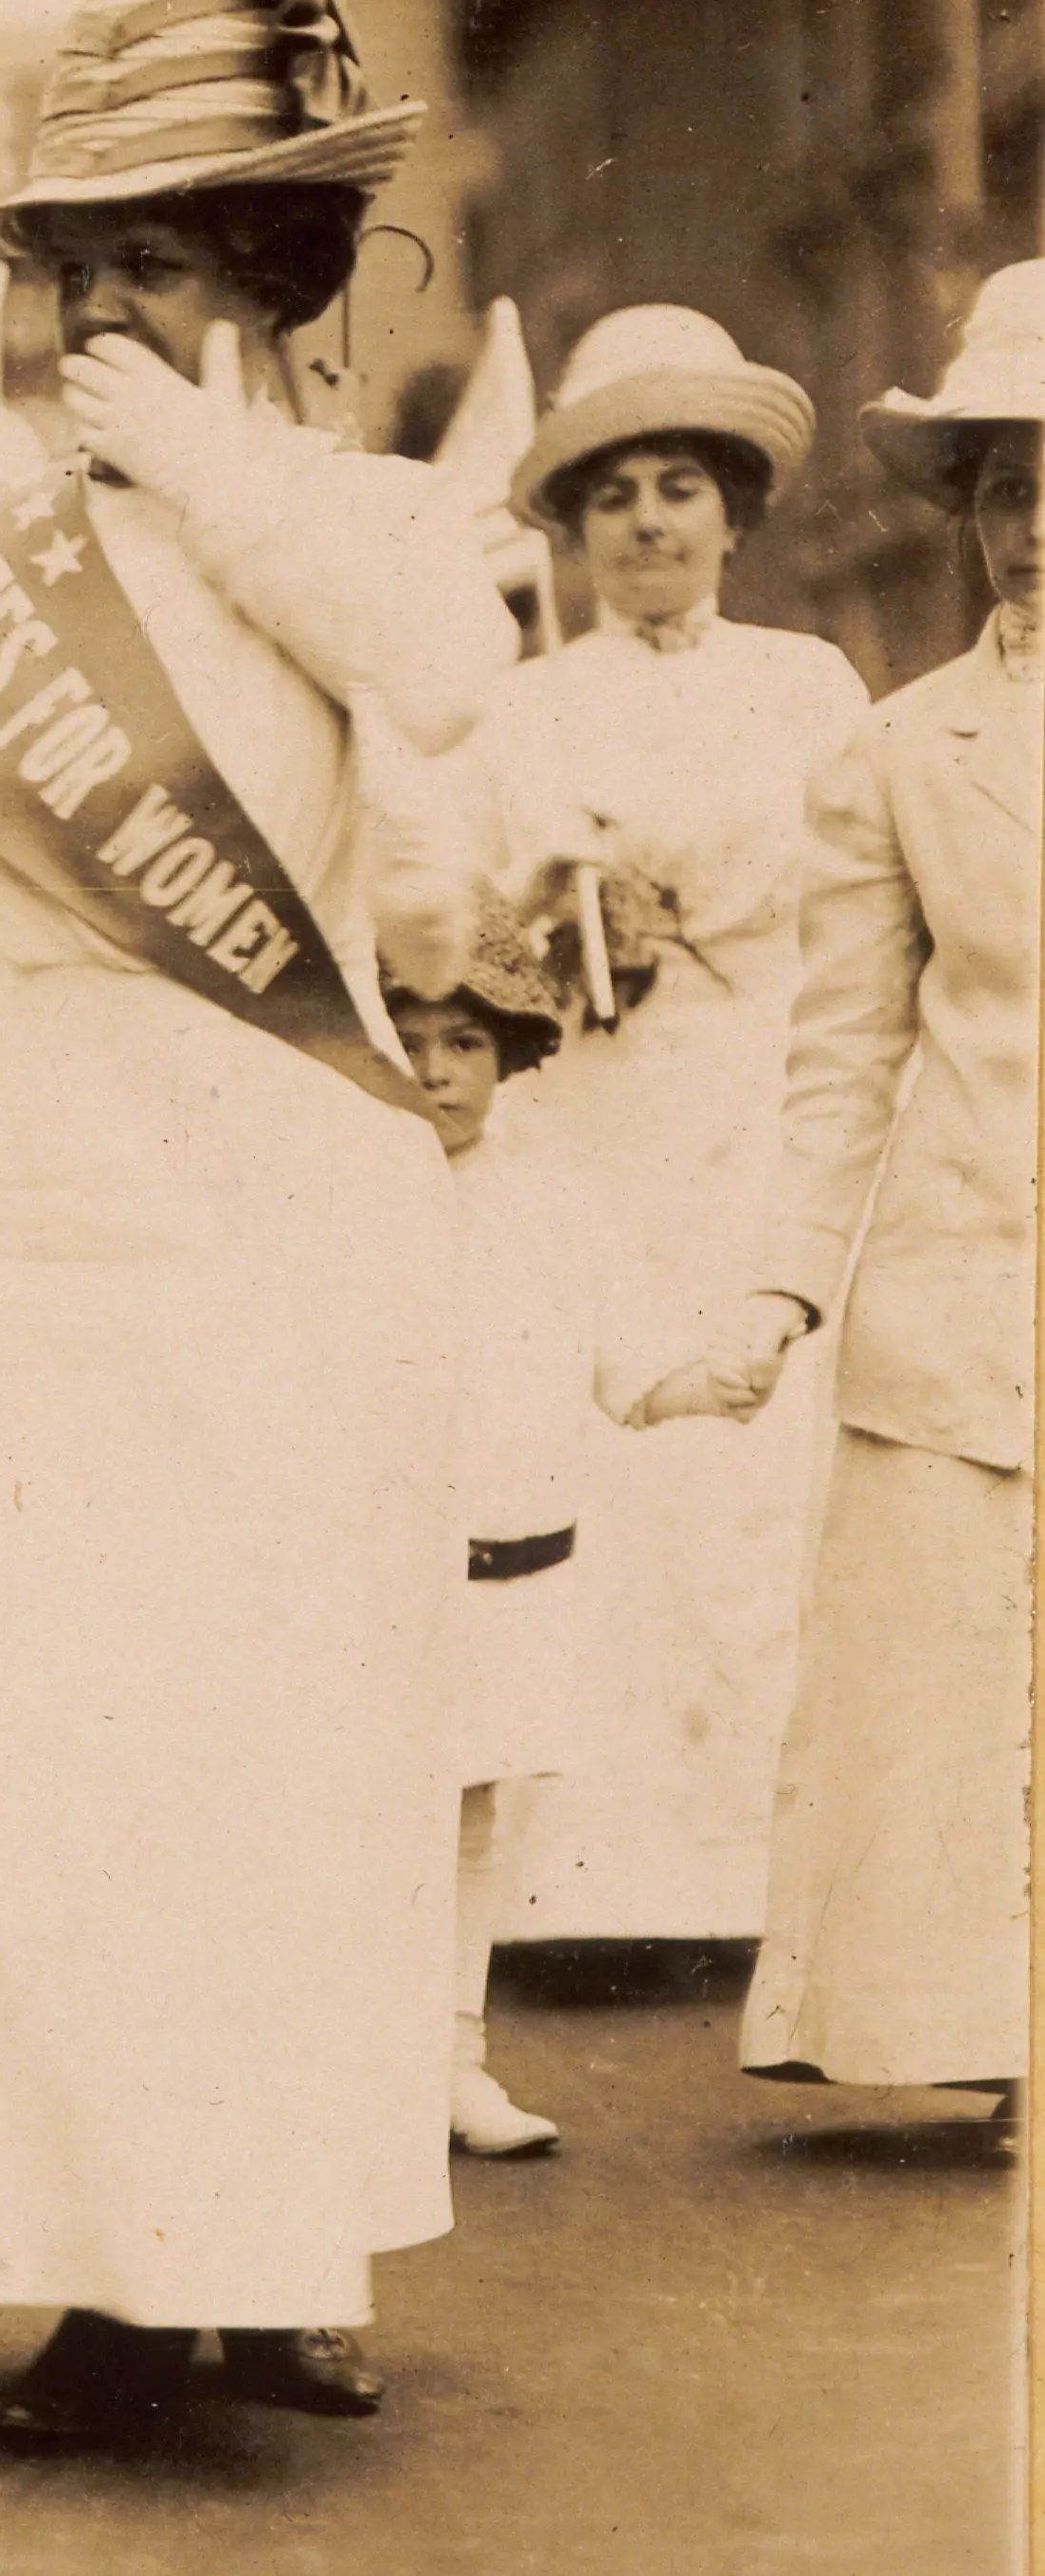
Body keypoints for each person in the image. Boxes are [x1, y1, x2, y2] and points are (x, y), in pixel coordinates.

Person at [0, 0, 514, 2443]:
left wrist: (201, 460)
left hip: (282, 1197)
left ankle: (268, 2242)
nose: (100, 314)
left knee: (284, 1738)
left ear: (262, 271)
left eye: (155, 261)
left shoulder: (353, 523)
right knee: (50, 1736)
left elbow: (447, 673)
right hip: (35, 1200)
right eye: (77, 265)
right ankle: (81, 2263)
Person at [459, 306, 876, 1940]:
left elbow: (860, 907)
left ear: (731, 512)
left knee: (760, 1478)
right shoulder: (521, 708)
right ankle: (591, 1887)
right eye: (614, 491)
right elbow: (479, 948)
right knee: (607, 1457)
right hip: (591, 1121)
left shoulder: (811, 684)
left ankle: (765, 1877)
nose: (645, 521)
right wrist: (557, 916)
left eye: (677, 488)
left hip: (760, 1104)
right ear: (571, 523)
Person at [681, 259, 1042, 2119]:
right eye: (1001, 482)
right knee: (956, 1709)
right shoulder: (898, 755)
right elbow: (835, 1075)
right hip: (960, 1298)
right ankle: (982, 2042)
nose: (1031, 525)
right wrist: (774, 1295)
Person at [393, 919, 743, 2156]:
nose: (433, 1068)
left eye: (464, 1041)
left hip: (505, 1562)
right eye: (407, 1038)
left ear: (513, 1055)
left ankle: (449, 2062)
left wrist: (716, 1377)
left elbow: (629, 1374)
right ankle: (347, 2069)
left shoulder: (552, 1206)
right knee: (364, 1812)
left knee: (471, 1809)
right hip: (369, 1573)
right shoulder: (337, 1195)